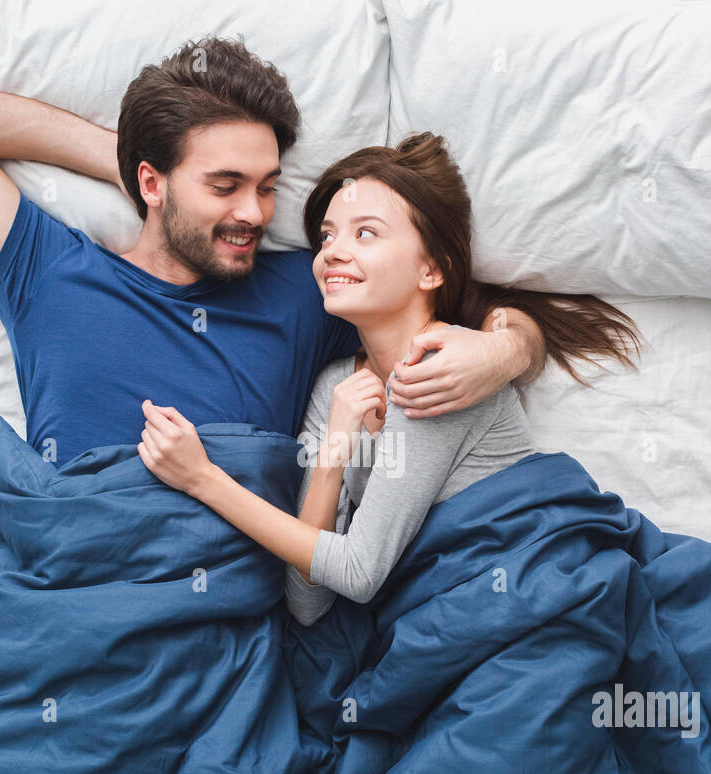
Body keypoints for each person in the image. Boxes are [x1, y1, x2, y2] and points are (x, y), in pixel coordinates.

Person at [0, 36, 550, 470]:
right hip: (71, 584)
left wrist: (504, 351)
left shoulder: (304, 288)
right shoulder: (49, 271)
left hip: (215, 616)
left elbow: (484, 306)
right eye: (224, 185)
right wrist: (127, 158)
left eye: (266, 188)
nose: (255, 214)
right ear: (150, 181)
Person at [138, 131, 645, 617]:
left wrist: (203, 479)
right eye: (327, 235)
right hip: (432, 621)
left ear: (431, 269)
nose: (333, 250)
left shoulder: (438, 370)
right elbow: (307, 603)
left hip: (527, 592)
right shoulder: (336, 388)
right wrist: (336, 449)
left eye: (365, 233)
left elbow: (358, 573)